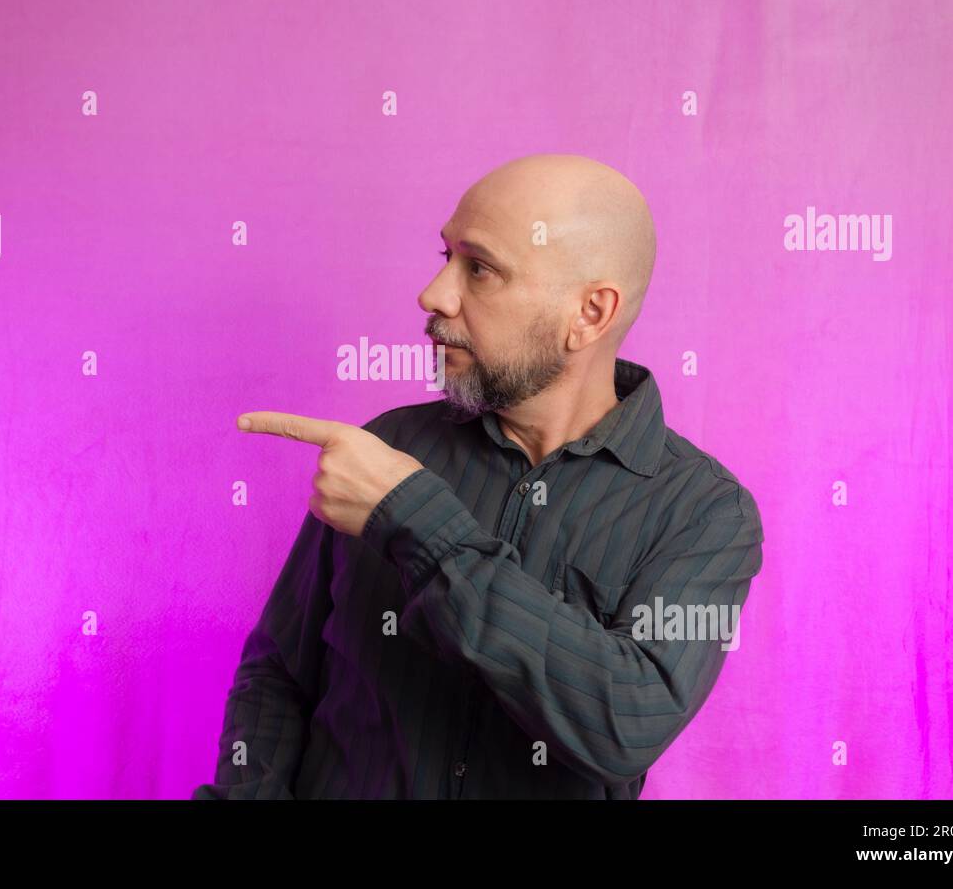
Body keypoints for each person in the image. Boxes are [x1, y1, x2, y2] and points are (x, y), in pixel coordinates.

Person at [192, 153, 765, 799]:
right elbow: (279, 672)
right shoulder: (390, 444)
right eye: (445, 256)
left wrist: (416, 521)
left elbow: (624, 724)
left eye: (480, 268)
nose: (434, 295)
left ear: (590, 314)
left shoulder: (705, 512)